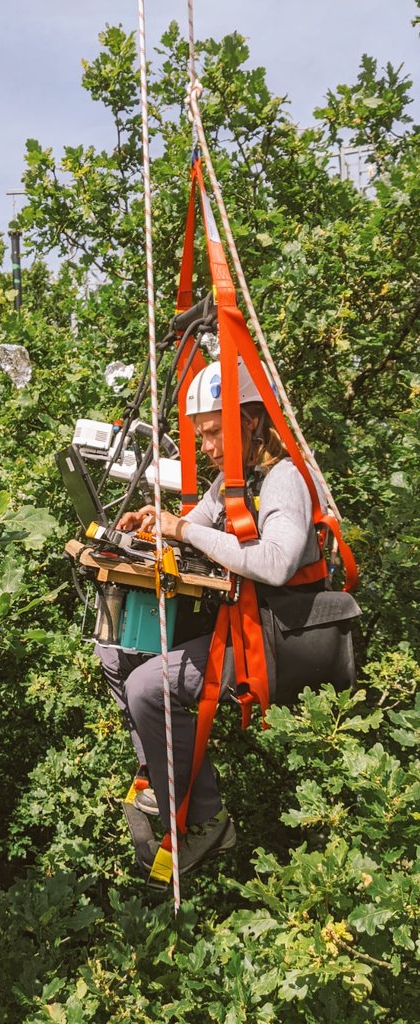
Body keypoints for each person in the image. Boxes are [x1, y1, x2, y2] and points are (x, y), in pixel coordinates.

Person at [96, 357, 330, 877]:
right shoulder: (233, 477)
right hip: (240, 625)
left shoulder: (285, 478)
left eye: (210, 434)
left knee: (145, 688)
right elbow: (194, 523)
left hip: (275, 636)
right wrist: (152, 527)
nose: (204, 448)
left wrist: (183, 532)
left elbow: (275, 561)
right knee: (114, 650)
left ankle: (207, 819)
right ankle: (164, 772)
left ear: (247, 422)